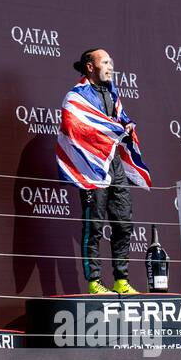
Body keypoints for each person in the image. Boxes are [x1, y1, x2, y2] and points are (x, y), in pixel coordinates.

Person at [57, 48, 151, 295]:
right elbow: (72, 126)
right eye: (105, 62)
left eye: (112, 62)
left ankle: (121, 279)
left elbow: (117, 120)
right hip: (91, 166)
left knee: (124, 221)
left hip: (114, 163)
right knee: (94, 226)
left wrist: (125, 125)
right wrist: (107, 129)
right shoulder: (75, 96)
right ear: (90, 66)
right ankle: (95, 282)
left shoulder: (112, 92)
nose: (111, 66)